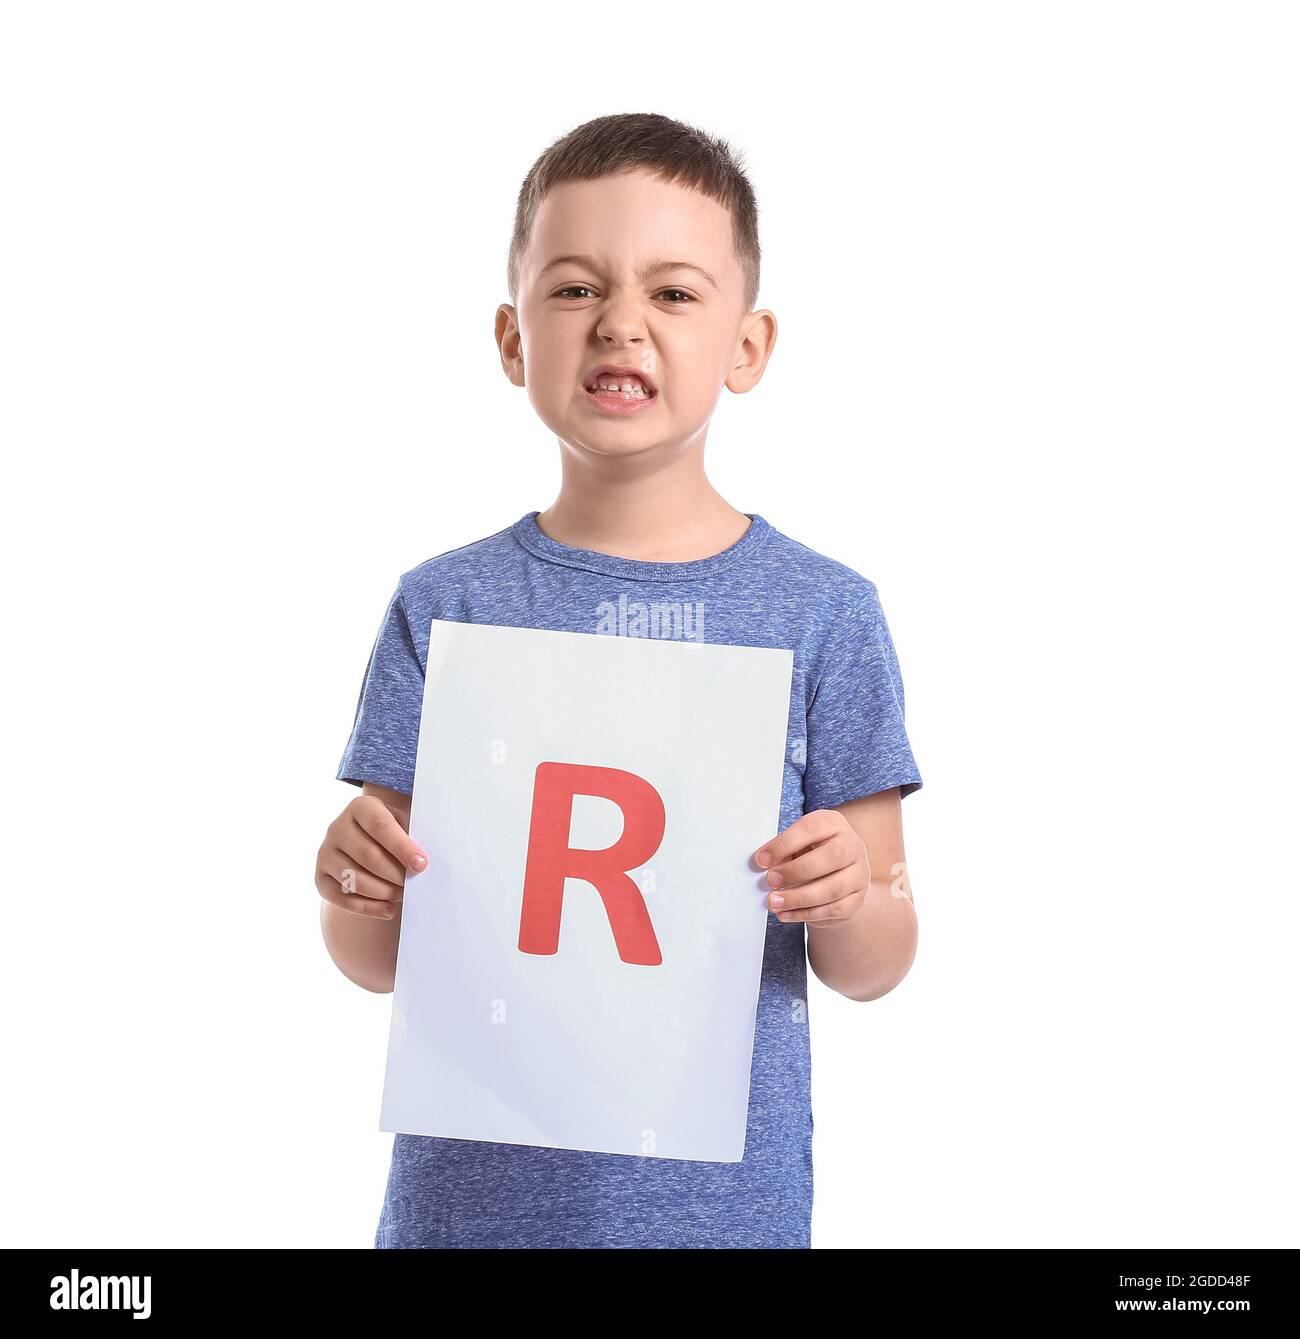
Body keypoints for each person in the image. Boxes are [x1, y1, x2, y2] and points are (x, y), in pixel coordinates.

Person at [314, 111, 923, 1249]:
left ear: (746, 346)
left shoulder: (823, 614)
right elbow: (376, 958)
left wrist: (849, 894)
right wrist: (354, 888)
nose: (623, 325)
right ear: (511, 339)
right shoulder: (443, 606)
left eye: (675, 294)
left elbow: (878, 957)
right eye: (576, 289)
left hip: (719, 1218)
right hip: (467, 1213)